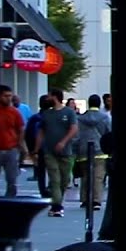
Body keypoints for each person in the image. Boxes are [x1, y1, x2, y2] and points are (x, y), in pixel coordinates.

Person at [37, 88, 79, 216]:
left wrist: (63, 142)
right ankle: (56, 206)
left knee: (65, 179)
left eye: (49, 96)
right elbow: (41, 132)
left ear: (55, 97)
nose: (47, 98)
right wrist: (36, 148)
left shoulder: (69, 112)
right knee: (54, 178)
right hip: (49, 151)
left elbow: (74, 129)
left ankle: (57, 201)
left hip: (66, 152)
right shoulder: (46, 114)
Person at [74, 94, 112, 209]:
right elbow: (109, 133)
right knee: (98, 177)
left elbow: (76, 136)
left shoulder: (80, 119)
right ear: (99, 103)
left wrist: (75, 150)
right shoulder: (105, 118)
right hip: (100, 151)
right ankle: (96, 200)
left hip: (84, 150)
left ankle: (85, 199)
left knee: (86, 176)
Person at [25, 94, 50, 195]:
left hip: (39, 149)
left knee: (41, 171)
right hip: (49, 148)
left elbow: (28, 135)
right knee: (52, 171)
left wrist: (32, 150)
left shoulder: (34, 118)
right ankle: (48, 189)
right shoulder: (52, 117)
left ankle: (43, 190)